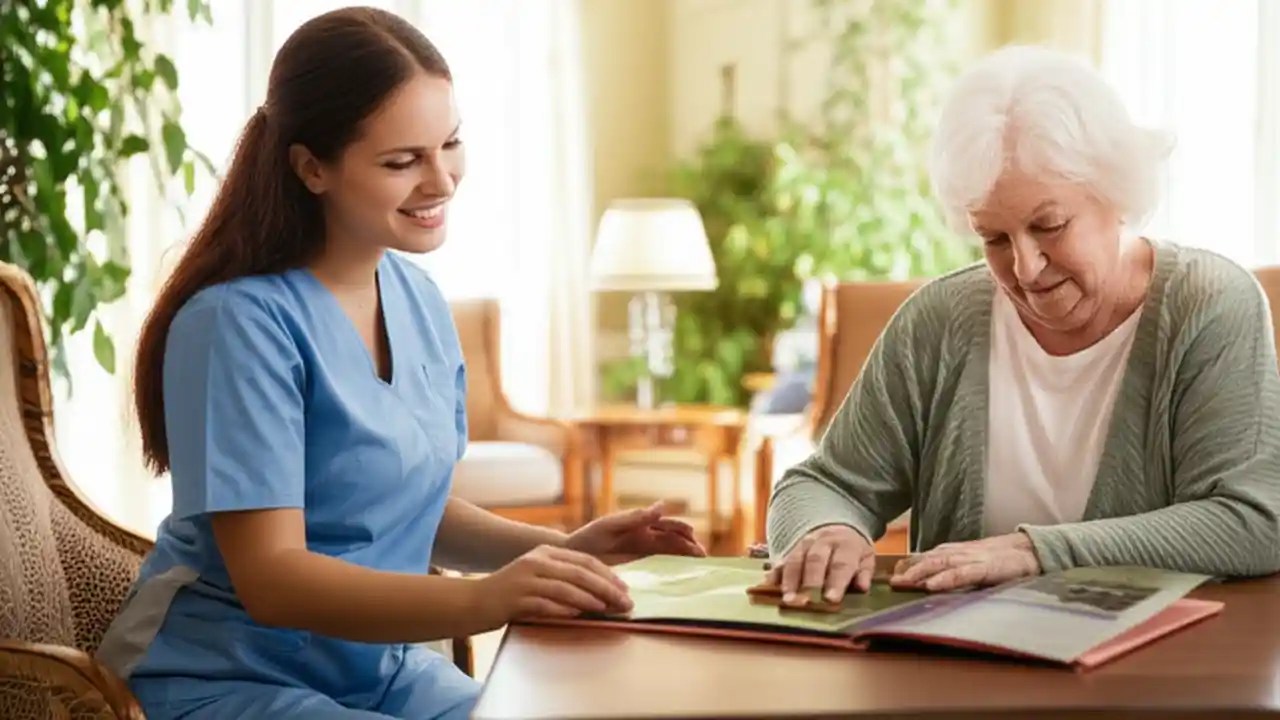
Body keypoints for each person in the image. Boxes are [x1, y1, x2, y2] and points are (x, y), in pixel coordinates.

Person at [95, 8, 704, 720]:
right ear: (310, 166)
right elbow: (274, 580)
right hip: (223, 676)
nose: (442, 180)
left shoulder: (415, 298)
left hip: (373, 669)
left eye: (450, 144)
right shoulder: (235, 325)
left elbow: (402, 502)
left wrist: (566, 553)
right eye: (402, 160)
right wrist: (485, 599)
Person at [766, 44, 1280, 607]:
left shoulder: (1209, 306)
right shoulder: (939, 321)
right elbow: (824, 484)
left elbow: (1250, 522)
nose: (1026, 267)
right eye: (993, 238)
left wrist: (1032, 551)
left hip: (1152, 677)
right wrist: (826, 531)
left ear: (1117, 194)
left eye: (1050, 225)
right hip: (958, 669)